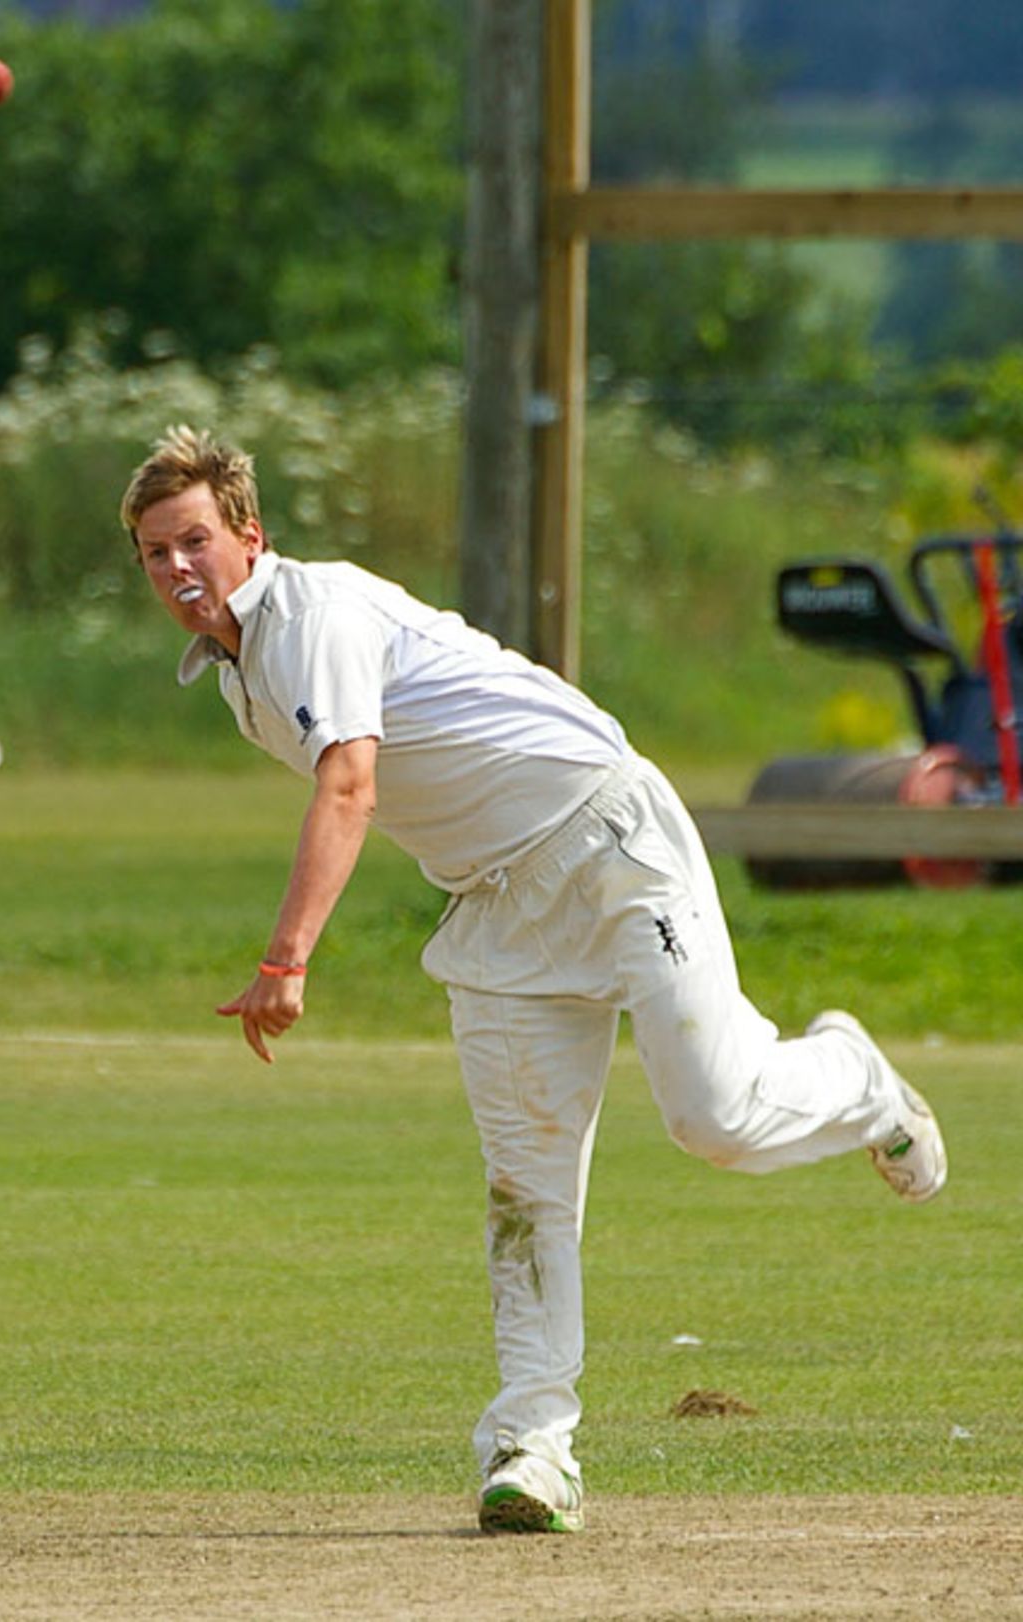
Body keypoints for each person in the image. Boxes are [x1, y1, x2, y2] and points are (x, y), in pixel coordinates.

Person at [120, 425, 947, 1536]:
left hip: (610, 840)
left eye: (194, 541)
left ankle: (854, 1076)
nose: (177, 568)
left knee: (718, 1118)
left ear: (249, 536)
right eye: (154, 552)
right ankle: (532, 1445)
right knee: (526, 1185)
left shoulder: (311, 613)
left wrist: (285, 960)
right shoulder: (235, 674)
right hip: (501, 911)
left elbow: (352, 787)